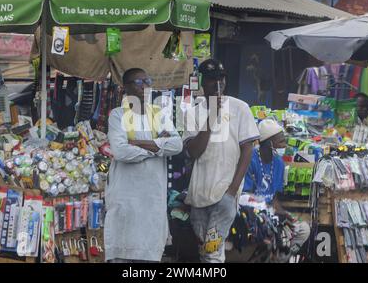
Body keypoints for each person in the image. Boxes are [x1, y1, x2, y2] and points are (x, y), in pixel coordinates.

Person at [183, 59, 260, 263]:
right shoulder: (193, 112)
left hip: (225, 194)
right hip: (199, 195)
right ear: (202, 83)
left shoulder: (239, 108)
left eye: (221, 79)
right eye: (211, 80)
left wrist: (232, 191)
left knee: (212, 251)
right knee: (205, 250)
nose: (217, 84)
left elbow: (247, 151)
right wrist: (212, 115)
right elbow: (193, 152)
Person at [105, 68, 183, 263]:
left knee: (149, 255)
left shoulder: (159, 114)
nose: (145, 86)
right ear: (126, 88)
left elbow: (177, 145)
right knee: (122, 252)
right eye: (139, 82)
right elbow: (121, 151)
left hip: (152, 202)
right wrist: (157, 146)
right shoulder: (117, 115)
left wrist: (138, 143)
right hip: (126, 200)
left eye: (147, 81)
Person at [244, 119, 310, 262]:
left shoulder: (278, 162)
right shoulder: (250, 160)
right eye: (281, 142)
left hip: (270, 214)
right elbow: (245, 196)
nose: (284, 145)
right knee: (275, 234)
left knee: (303, 229)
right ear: (269, 143)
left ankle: (281, 258)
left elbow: (274, 197)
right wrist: (267, 214)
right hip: (252, 215)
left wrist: (283, 213)